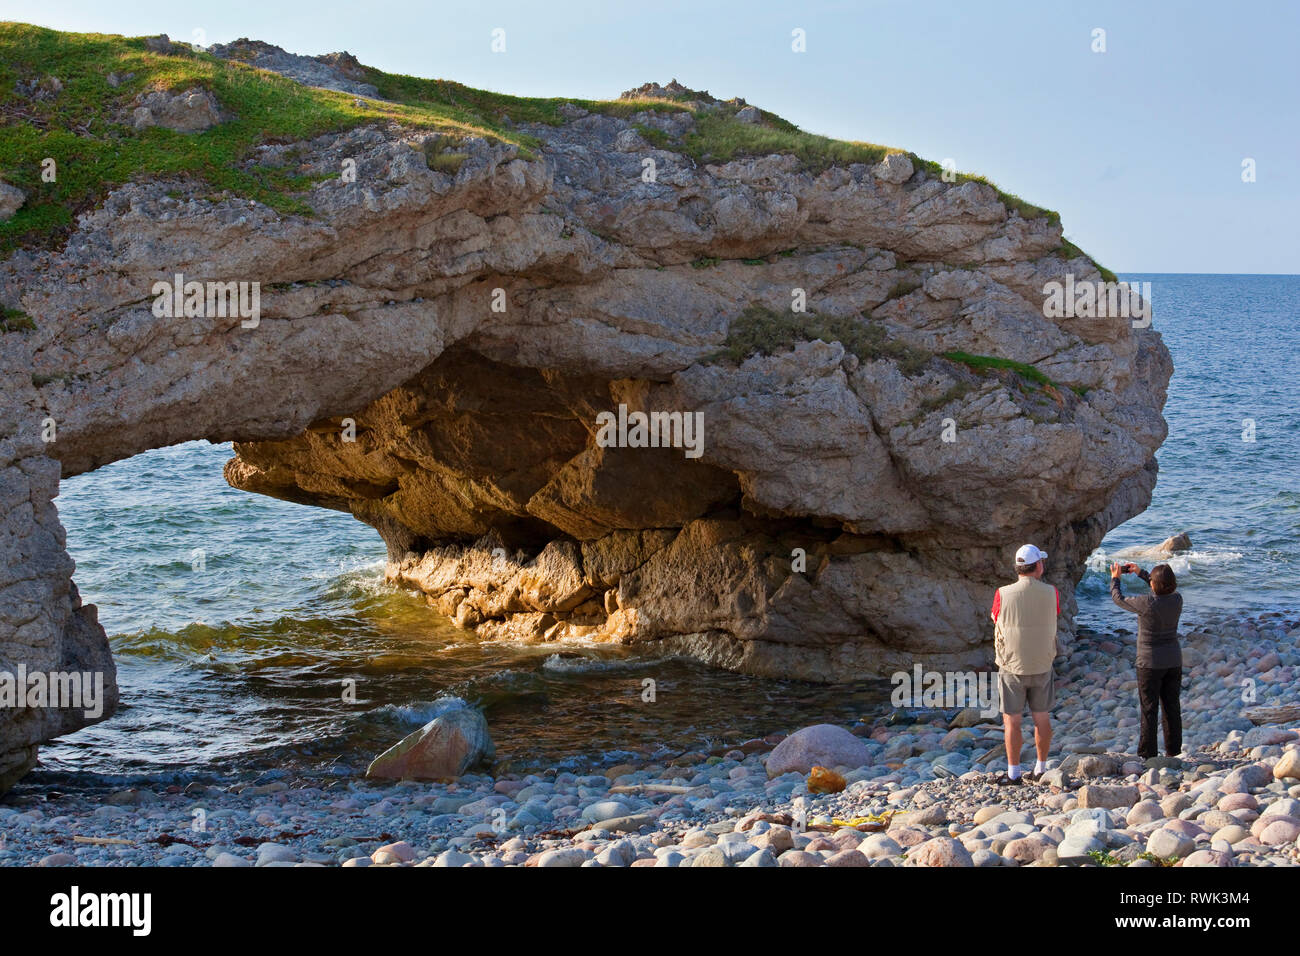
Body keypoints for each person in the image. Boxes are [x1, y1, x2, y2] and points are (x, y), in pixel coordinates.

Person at [990, 544, 1060, 785]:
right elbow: (1056, 613)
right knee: (1041, 717)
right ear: (1038, 565)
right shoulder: (1052, 592)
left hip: (1011, 666)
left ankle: (1014, 773)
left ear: (1017, 568)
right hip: (1042, 663)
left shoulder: (1002, 592)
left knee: (1012, 720)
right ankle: (1040, 768)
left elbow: (995, 617)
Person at [1111, 561, 1183, 760]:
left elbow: (1119, 599)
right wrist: (1140, 573)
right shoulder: (1177, 599)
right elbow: (1161, 587)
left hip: (1149, 663)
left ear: (1153, 585)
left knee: (1149, 709)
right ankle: (1173, 751)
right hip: (1173, 660)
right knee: (1172, 707)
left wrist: (1116, 579)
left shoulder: (1146, 603)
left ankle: (1147, 754)